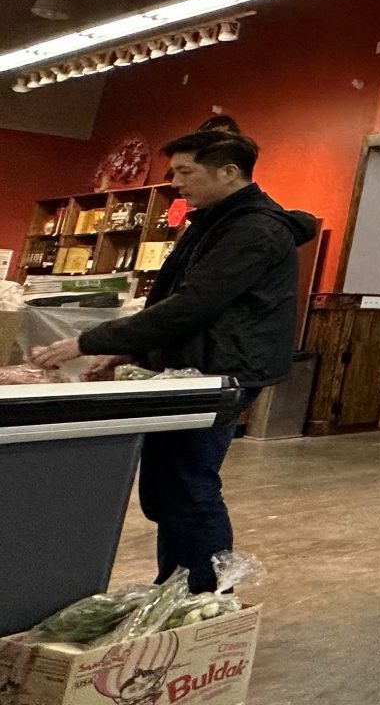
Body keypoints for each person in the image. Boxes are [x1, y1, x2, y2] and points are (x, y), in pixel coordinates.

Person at [31, 130, 316, 593]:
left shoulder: (254, 230)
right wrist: (124, 351)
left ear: (228, 172)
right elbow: (179, 303)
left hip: (221, 373)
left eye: (186, 172)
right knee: (167, 487)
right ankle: (173, 587)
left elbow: (194, 305)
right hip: (193, 368)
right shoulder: (211, 221)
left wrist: (87, 341)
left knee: (189, 485)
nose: (176, 182)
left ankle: (204, 596)